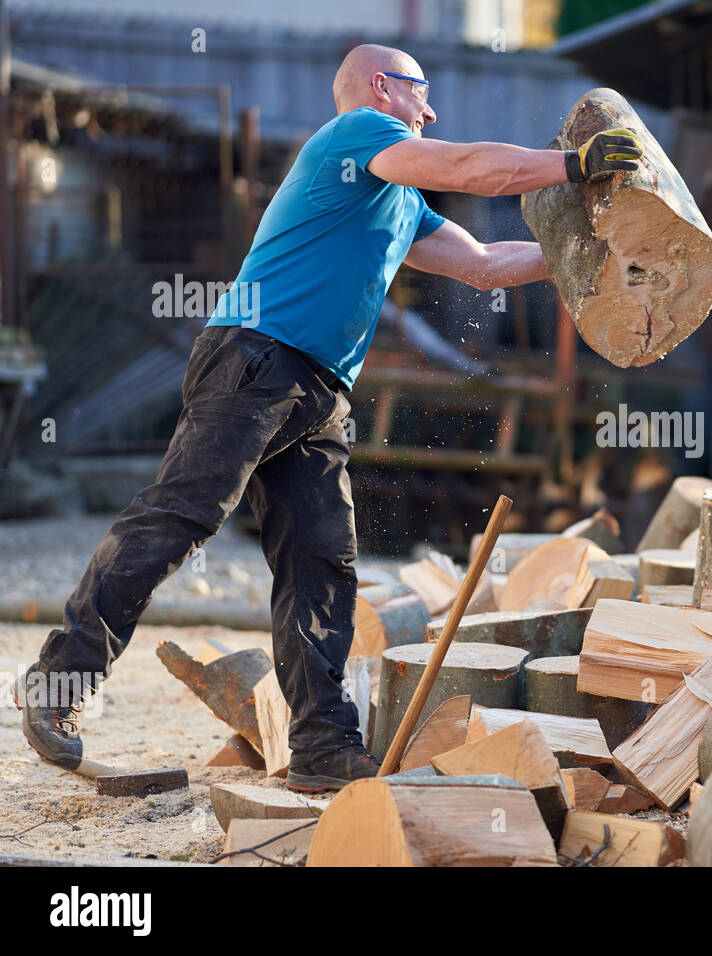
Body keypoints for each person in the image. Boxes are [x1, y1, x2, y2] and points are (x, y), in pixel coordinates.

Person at [13, 43, 642, 793]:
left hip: (315, 388)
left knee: (321, 563)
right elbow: (474, 168)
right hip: (256, 359)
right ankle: (58, 681)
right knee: (181, 515)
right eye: (421, 93)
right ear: (382, 87)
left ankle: (320, 748)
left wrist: (588, 252)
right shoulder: (357, 134)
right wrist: (576, 165)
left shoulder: (395, 195)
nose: (431, 110)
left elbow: (485, 263)